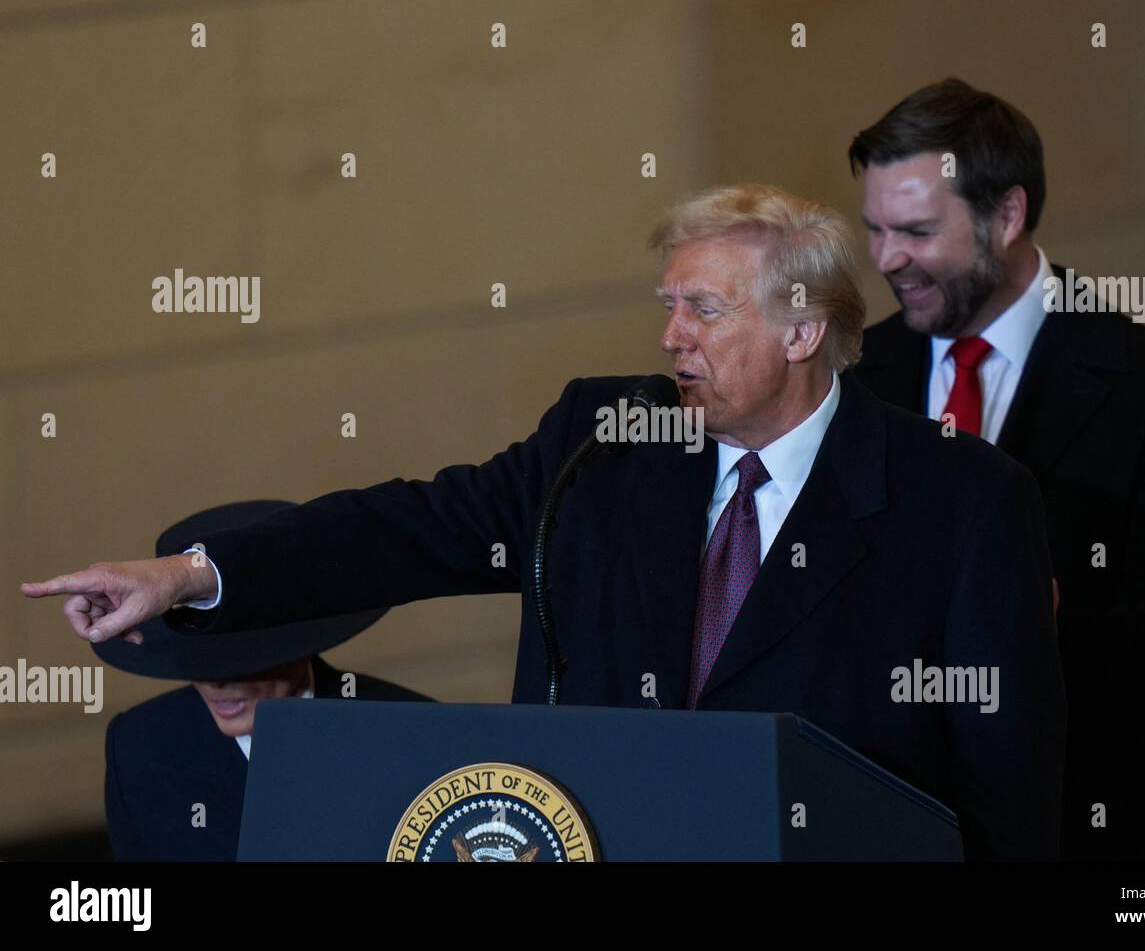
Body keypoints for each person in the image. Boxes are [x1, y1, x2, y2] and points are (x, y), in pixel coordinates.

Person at [24, 184, 1066, 860]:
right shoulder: (605, 439)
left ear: (802, 328)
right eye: (667, 306)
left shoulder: (960, 500)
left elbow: (1005, 787)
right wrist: (196, 575)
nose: (670, 338)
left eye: (703, 311)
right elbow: (411, 526)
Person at [847, 78, 1145, 860]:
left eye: (916, 231)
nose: (889, 261)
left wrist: (1029, 620)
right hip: (881, 828)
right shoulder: (854, 377)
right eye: (875, 230)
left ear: (1008, 215)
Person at [94, 501, 431, 861]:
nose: (216, 682)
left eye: (242, 657)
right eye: (200, 658)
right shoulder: (140, 746)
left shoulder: (415, 736)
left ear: (301, 639)